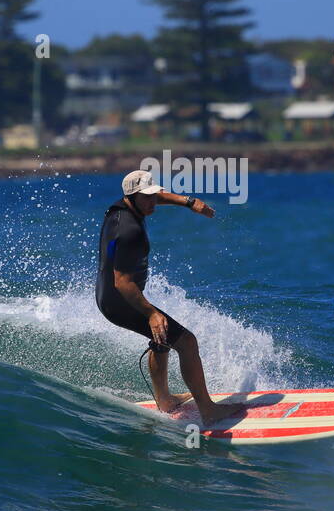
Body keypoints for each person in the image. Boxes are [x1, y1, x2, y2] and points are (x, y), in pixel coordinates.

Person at [95, 169, 240, 425]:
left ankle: (164, 399)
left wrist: (188, 202)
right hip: (119, 300)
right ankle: (208, 410)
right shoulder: (129, 231)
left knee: (161, 338)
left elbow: (157, 197)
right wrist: (151, 313)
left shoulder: (123, 208)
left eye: (154, 195)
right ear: (133, 197)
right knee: (186, 342)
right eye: (147, 198)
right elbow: (123, 281)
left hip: (110, 294)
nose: (154, 202)